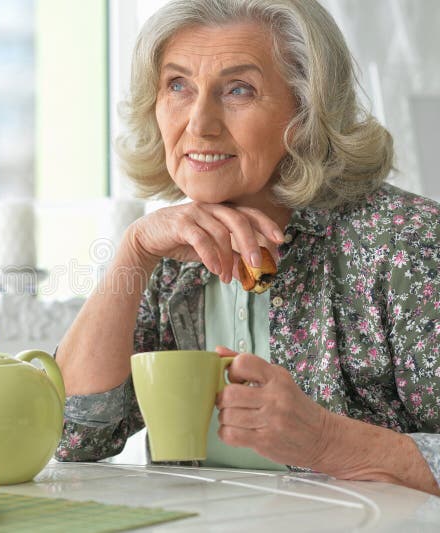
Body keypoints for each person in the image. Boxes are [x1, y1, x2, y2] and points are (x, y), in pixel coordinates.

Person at [54, 0, 440, 496]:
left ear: (306, 109)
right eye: (178, 86)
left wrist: (326, 440)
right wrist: (135, 250)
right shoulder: (171, 255)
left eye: (239, 90)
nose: (199, 123)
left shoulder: (409, 243)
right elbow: (73, 435)